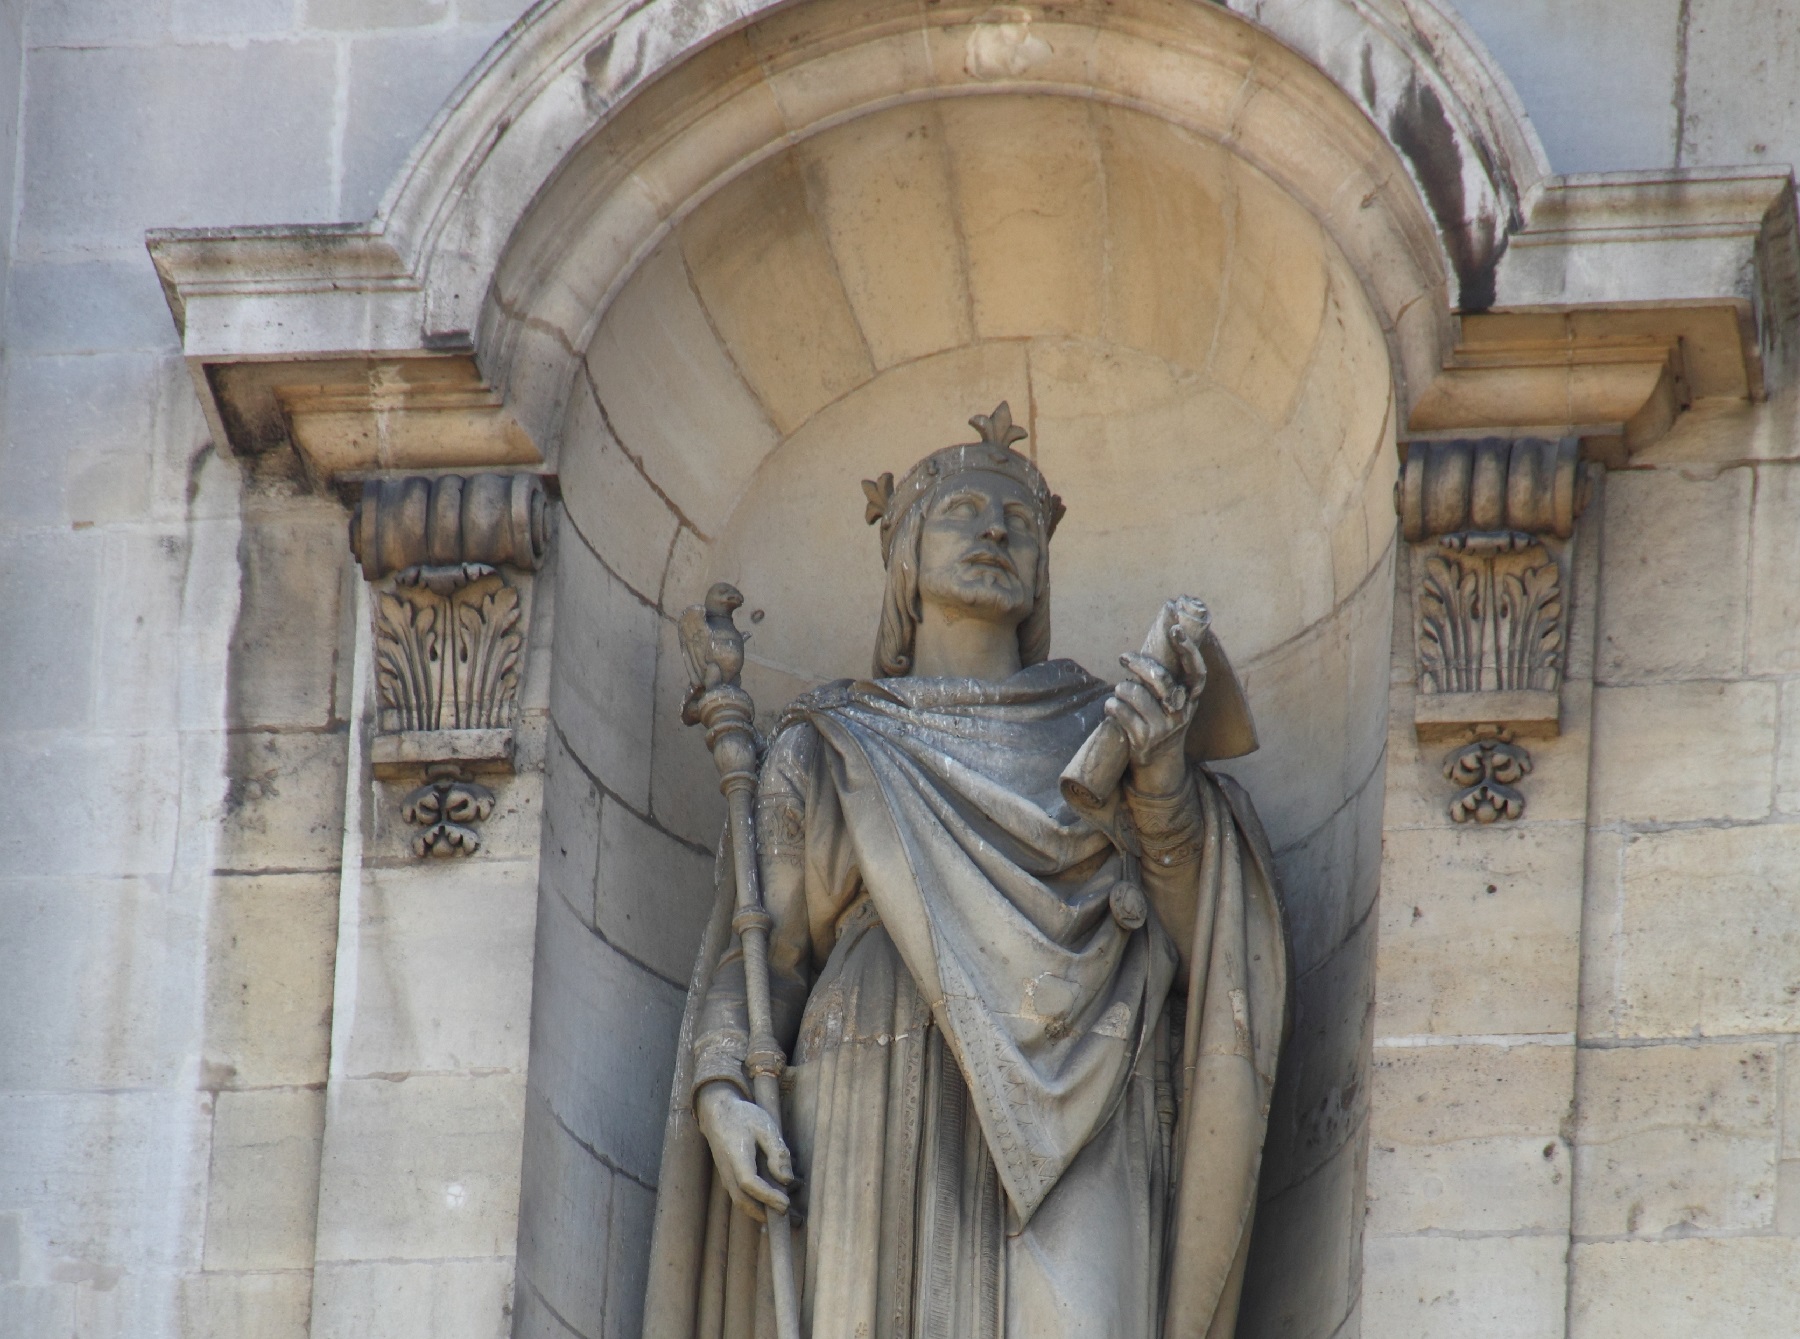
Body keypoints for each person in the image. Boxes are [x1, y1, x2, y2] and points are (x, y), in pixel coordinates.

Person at [643, 404, 1288, 1339]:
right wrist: (721, 1093)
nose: (994, 530)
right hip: (877, 1066)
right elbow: (767, 952)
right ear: (903, 556)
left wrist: (1160, 786)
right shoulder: (832, 740)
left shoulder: (1107, 729)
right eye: (962, 512)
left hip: (1090, 1070)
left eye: (1020, 522)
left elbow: (1208, 946)